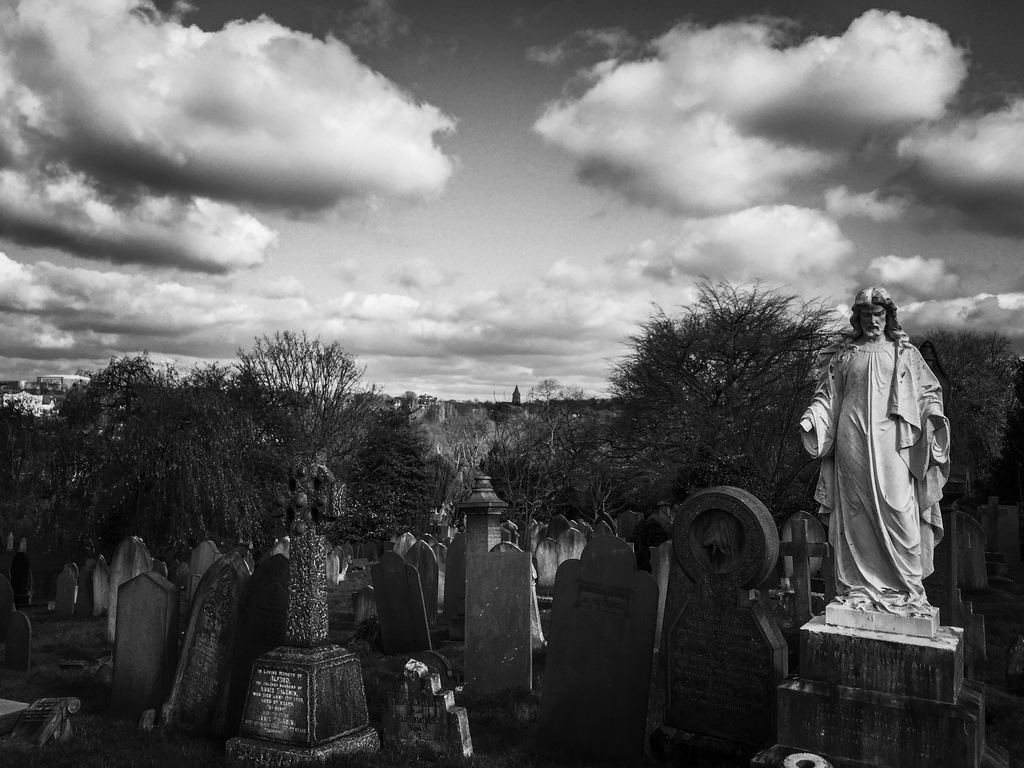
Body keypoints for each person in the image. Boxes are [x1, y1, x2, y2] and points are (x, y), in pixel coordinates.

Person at [800, 287, 949, 617]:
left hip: (894, 441)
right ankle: (857, 588)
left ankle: (909, 589)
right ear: (858, 318)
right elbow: (828, 397)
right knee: (855, 512)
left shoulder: (905, 354)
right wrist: (814, 417)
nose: (872, 321)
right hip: (851, 437)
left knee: (899, 507)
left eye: (878, 315)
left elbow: (927, 393)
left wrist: (933, 416)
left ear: (889, 316)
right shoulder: (845, 354)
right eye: (866, 315)